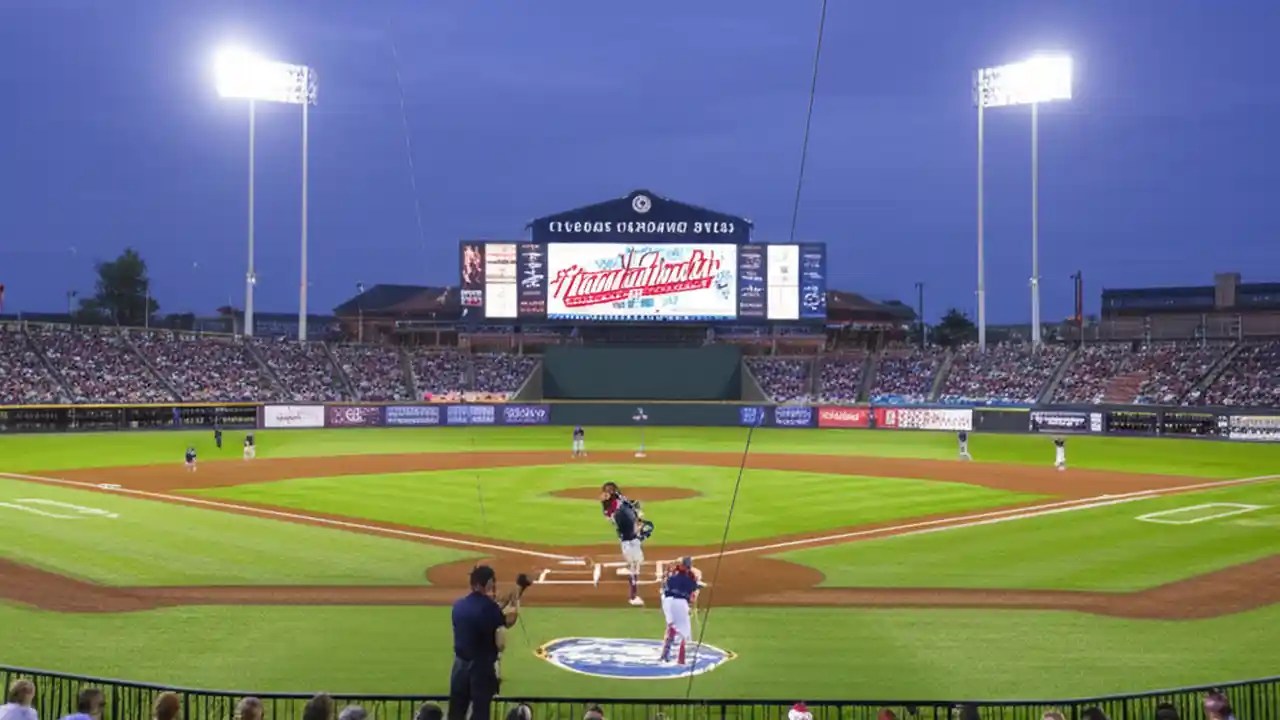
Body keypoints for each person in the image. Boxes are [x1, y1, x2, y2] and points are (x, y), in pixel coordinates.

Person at [449, 565, 517, 720]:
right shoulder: (489, 608)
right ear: (487, 583)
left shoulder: (459, 605)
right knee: (480, 712)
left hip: (459, 667)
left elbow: (480, 614)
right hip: (480, 669)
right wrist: (515, 605)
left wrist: (498, 606)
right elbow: (506, 621)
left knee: (456, 711)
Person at [601, 483, 645, 606]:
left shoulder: (617, 506)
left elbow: (631, 505)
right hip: (629, 541)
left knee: (632, 558)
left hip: (625, 539)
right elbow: (632, 529)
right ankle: (633, 596)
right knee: (635, 567)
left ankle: (628, 565)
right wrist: (639, 521)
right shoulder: (621, 514)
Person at [659, 557, 704, 664]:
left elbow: (665, 585)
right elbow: (693, 595)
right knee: (684, 632)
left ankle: (665, 654)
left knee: (671, 626)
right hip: (679, 603)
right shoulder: (689, 579)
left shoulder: (672, 576)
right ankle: (681, 659)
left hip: (666, 601)